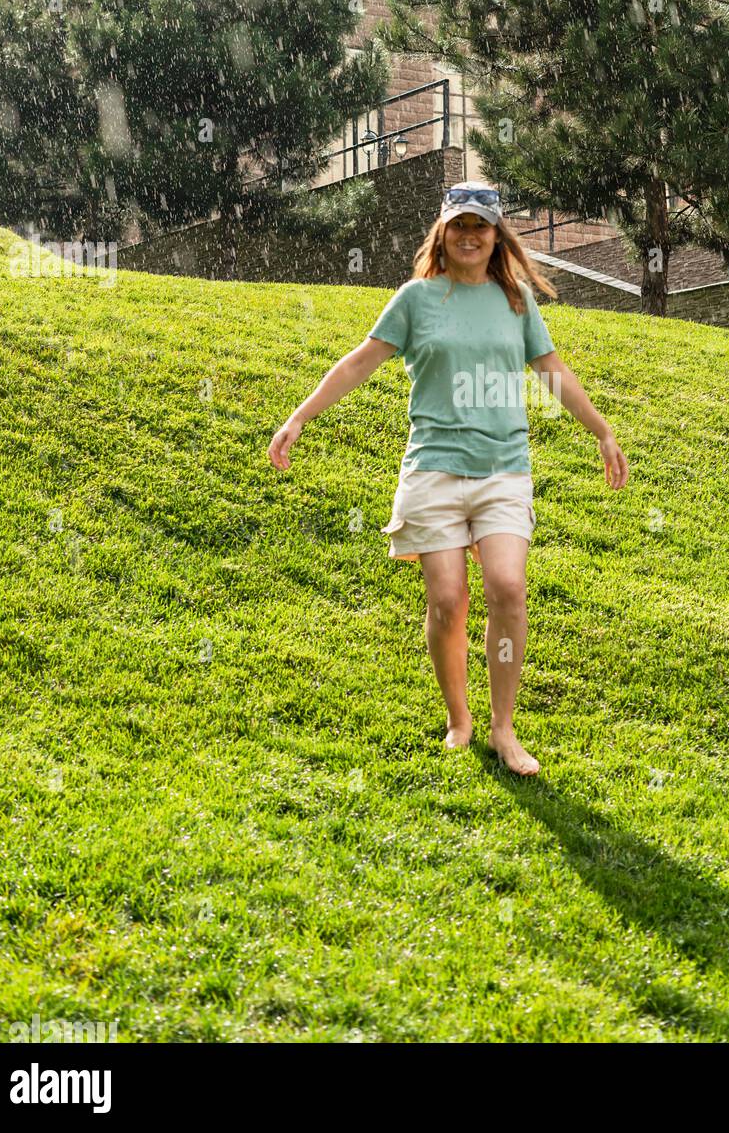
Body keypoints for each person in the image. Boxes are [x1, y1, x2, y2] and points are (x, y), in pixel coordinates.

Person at [268, 181, 629, 775]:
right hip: (432, 469)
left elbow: (552, 370)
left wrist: (602, 430)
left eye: (480, 227)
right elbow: (362, 360)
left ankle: (504, 728)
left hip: (502, 469)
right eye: (459, 226)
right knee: (447, 601)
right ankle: (460, 719)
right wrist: (300, 416)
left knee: (508, 589)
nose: (469, 236)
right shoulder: (416, 299)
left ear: (496, 235)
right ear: (442, 232)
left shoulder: (516, 302)